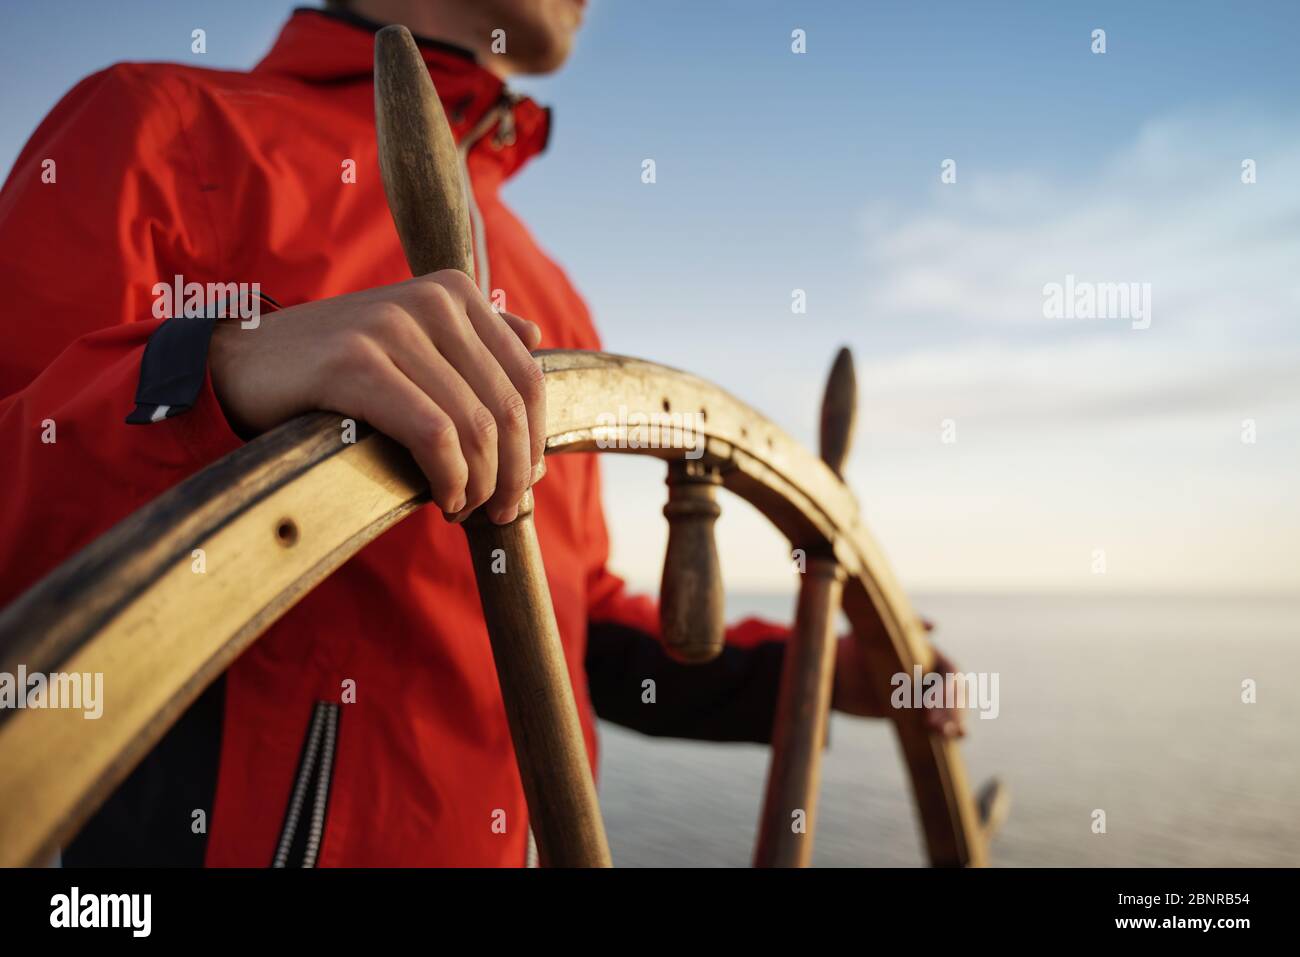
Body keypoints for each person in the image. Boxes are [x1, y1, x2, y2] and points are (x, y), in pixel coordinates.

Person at [0, 0, 963, 866]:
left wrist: (818, 674)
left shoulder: (552, 296)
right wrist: (224, 370)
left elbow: (571, 625)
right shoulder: (156, 126)